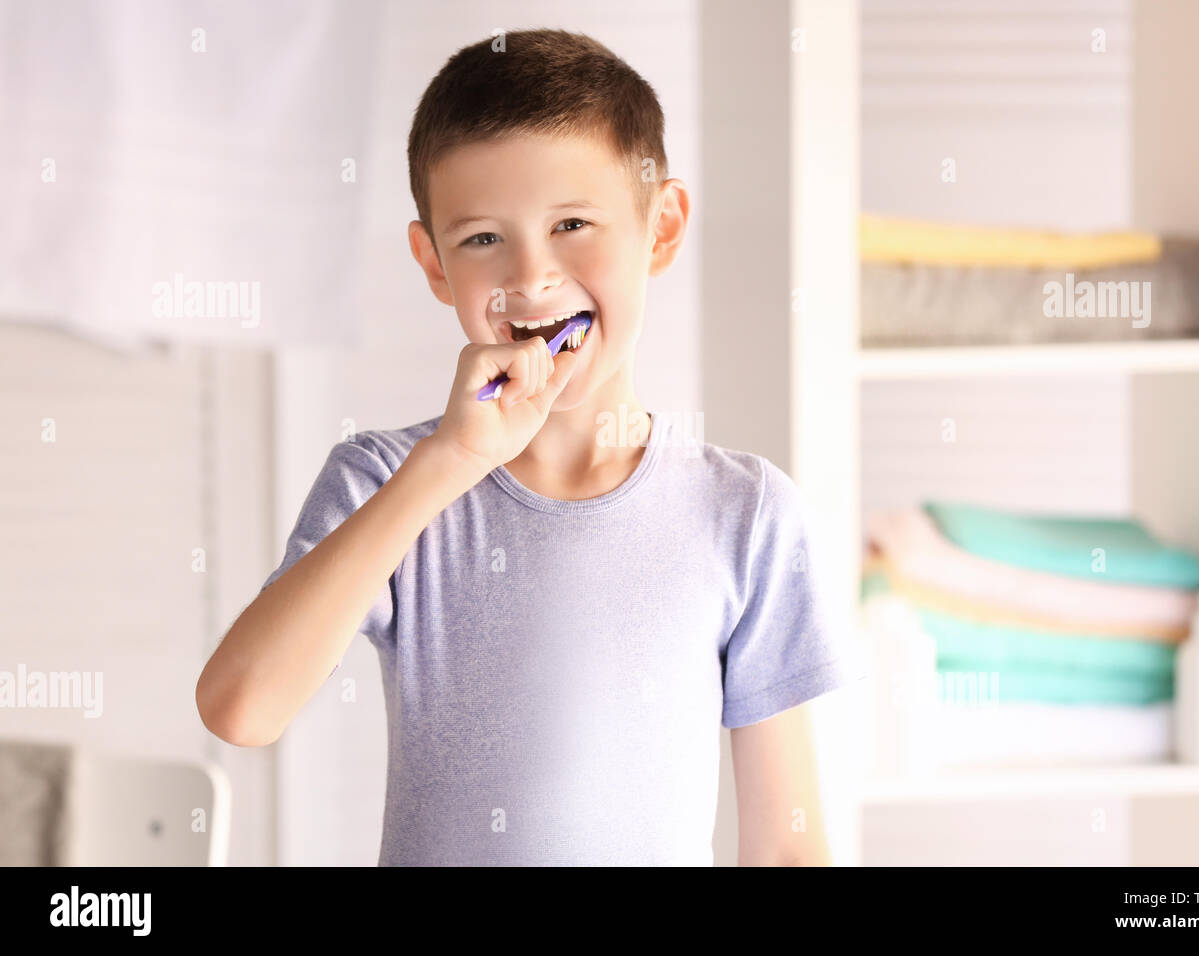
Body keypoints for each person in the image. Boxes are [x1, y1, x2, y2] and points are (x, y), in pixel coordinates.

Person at [196, 28, 865, 866]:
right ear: (434, 264)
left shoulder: (746, 514)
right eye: (482, 238)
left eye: (574, 223)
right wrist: (447, 463)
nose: (532, 276)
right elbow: (241, 709)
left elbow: (787, 847)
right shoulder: (385, 481)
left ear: (661, 228)